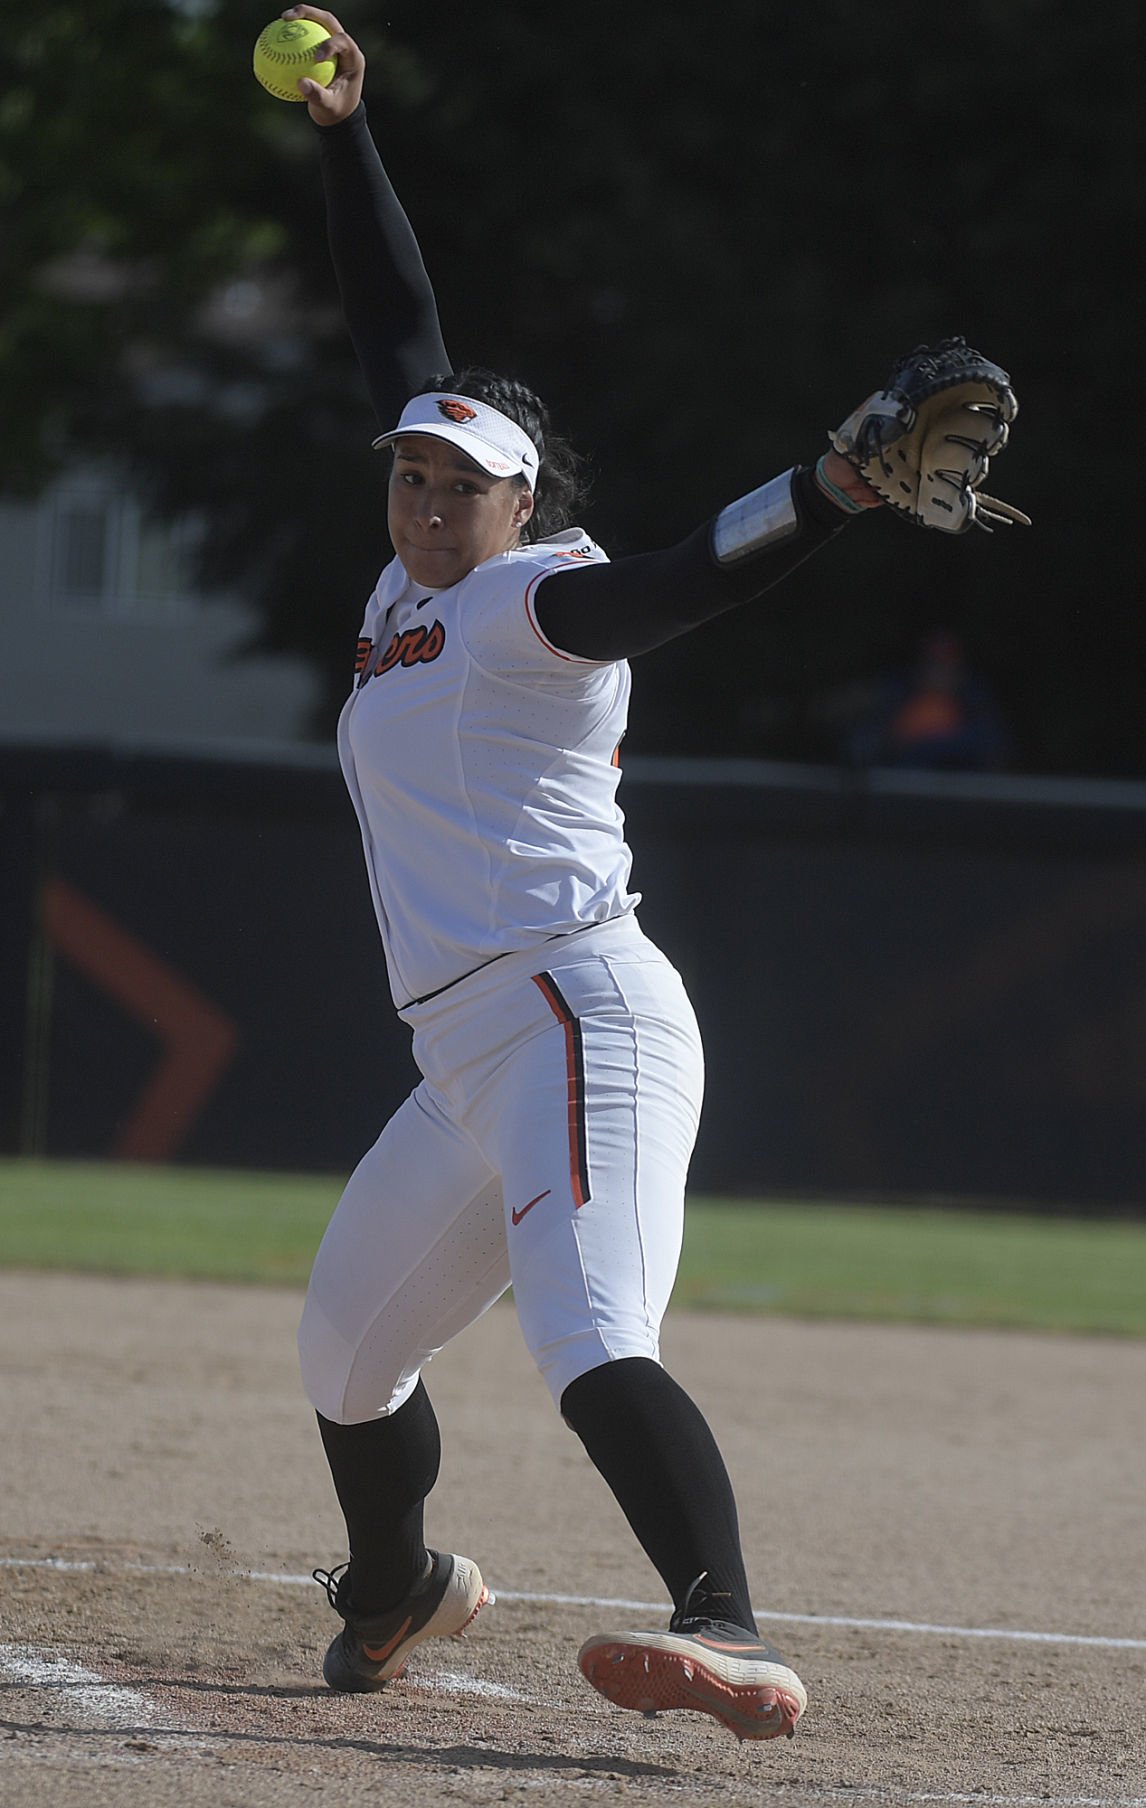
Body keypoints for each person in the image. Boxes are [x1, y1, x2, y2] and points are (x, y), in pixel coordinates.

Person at [284, 5, 884, 1743]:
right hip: (462, 1053)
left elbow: (689, 580)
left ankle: (731, 1628)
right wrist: (344, 138)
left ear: (522, 499)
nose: (420, 494)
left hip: (572, 1013)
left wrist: (829, 490)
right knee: (342, 1352)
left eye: (457, 479)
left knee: (587, 1333)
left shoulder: (534, 596)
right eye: (408, 469)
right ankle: (396, 1585)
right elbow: (395, 327)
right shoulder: (411, 590)